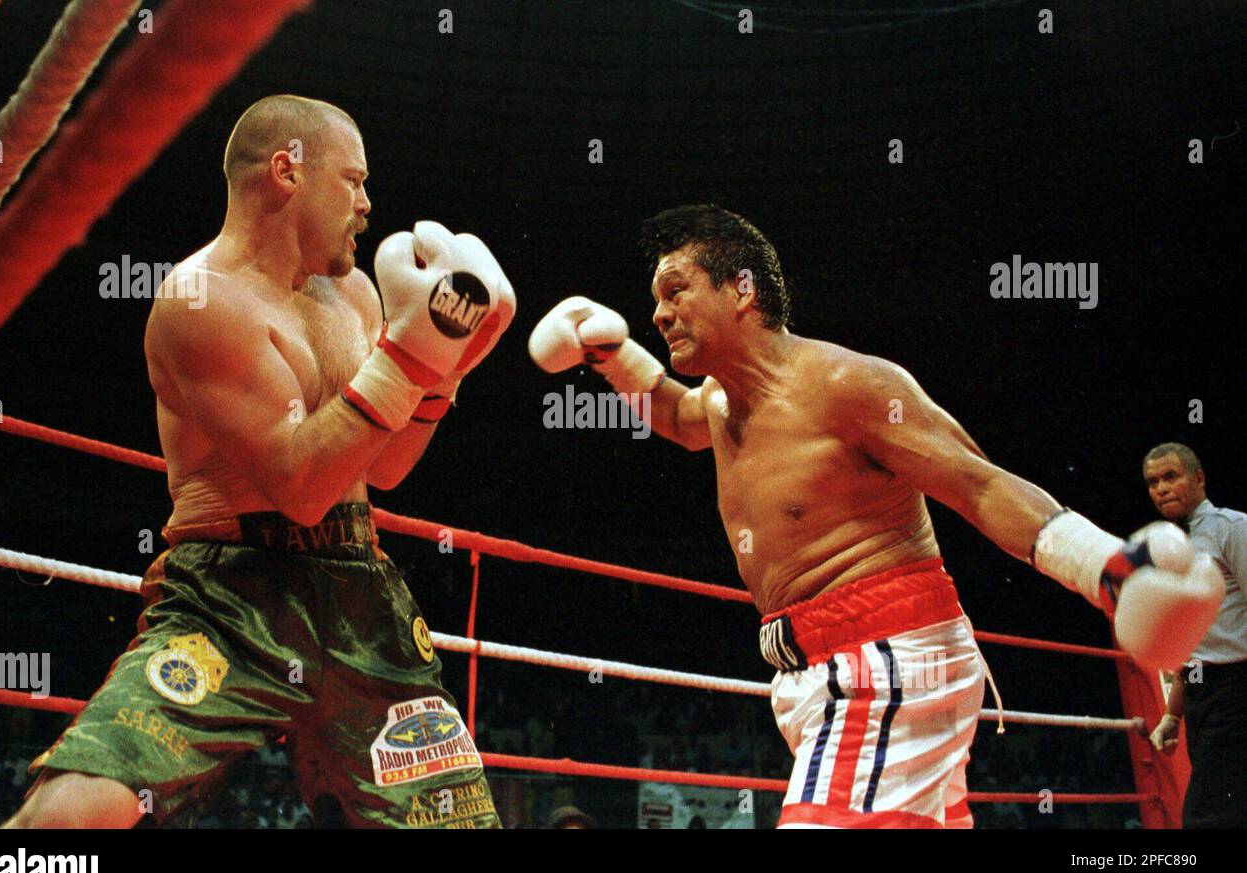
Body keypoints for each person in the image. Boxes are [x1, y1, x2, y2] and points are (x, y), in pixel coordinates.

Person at [529, 204, 1219, 828]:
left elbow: (977, 484)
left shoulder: (847, 386)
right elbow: (677, 417)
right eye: (655, 300)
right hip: (811, 671)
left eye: (676, 290)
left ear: (741, 289)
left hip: (888, 662)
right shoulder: (716, 399)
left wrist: (1106, 567)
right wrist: (613, 358)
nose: (659, 312)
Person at [2, 95, 513, 829]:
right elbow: (300, 487)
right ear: (287, 171)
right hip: (233, 595)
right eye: (354, 180)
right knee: (77, 813)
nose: (369, 204)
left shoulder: (355, 294)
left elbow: (384, 465)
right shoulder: (202, 300)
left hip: (362, 593)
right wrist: (413, 356)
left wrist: (446, 373)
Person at [1143, 443, 1247, 828]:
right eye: (1153, 482)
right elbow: (1192, 642)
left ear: (1198, 477)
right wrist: (1173, 713)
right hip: (1202, 696)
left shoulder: (1232, 529)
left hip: (1237, 690)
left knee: (1206, 816)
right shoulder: (1169, 550)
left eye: (1171, 476)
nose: (1161, 488)